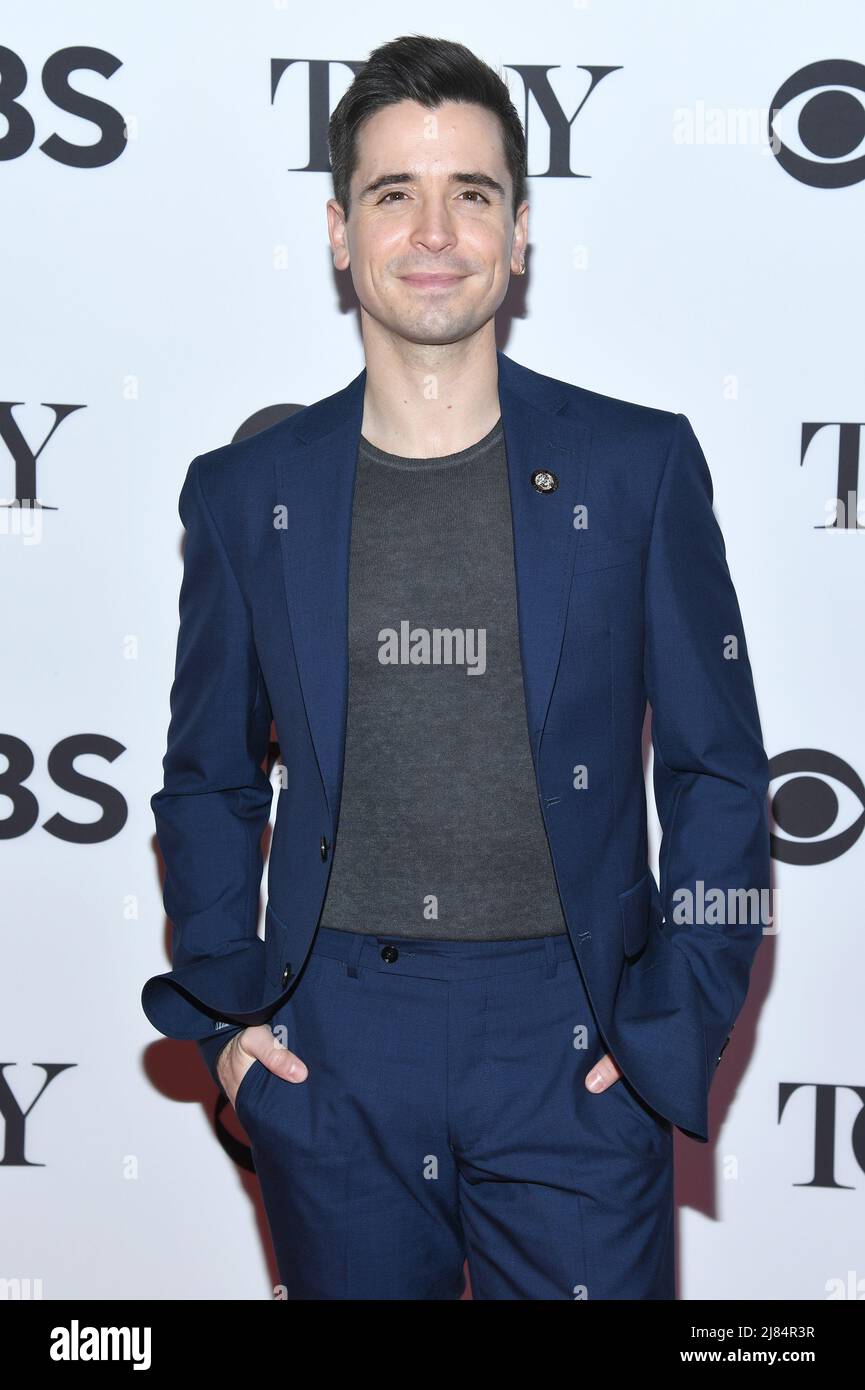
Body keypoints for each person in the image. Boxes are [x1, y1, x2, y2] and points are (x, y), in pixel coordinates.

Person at [142, 34, 771, 1300]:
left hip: (573, 1040)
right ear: (338, 231)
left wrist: (671, 1027)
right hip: (334, 1047)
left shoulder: (635, 470)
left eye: (471, 194)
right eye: (394, 194)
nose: (434, 230)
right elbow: (206, 777)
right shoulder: (245, 495)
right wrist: (227, 1027)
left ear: (520, 230)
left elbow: (717, 774)